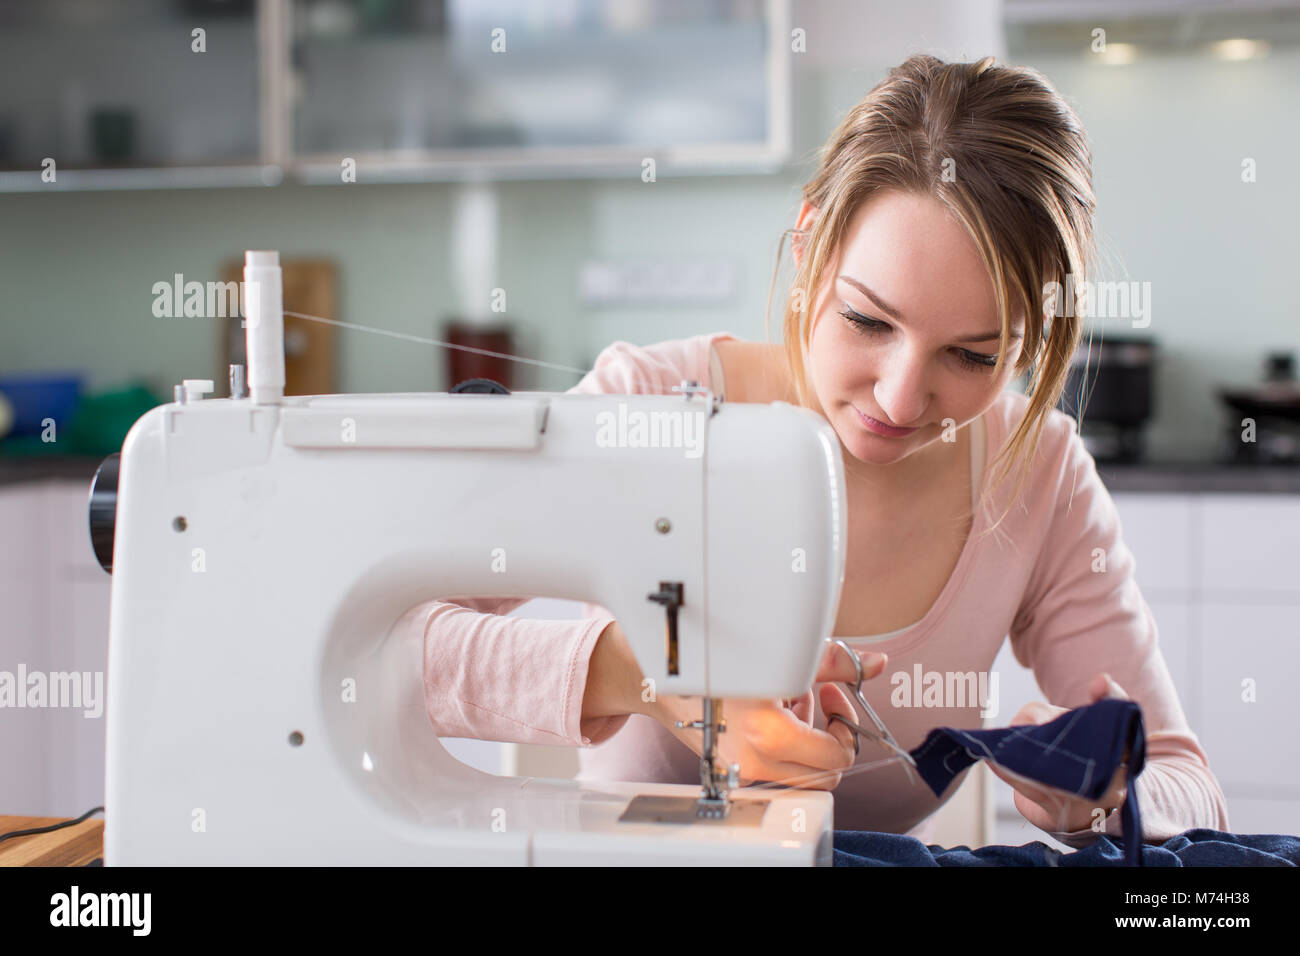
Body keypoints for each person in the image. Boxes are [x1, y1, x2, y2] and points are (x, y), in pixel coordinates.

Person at [422, 54, 1229, 844]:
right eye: (868, 321)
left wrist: (1105, 795)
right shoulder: (647, 405)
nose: (900, 399)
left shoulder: (1041, 473)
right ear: (809, 245)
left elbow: (1185, 781)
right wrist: (645, 677)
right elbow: (374, 643)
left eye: (976, 355)